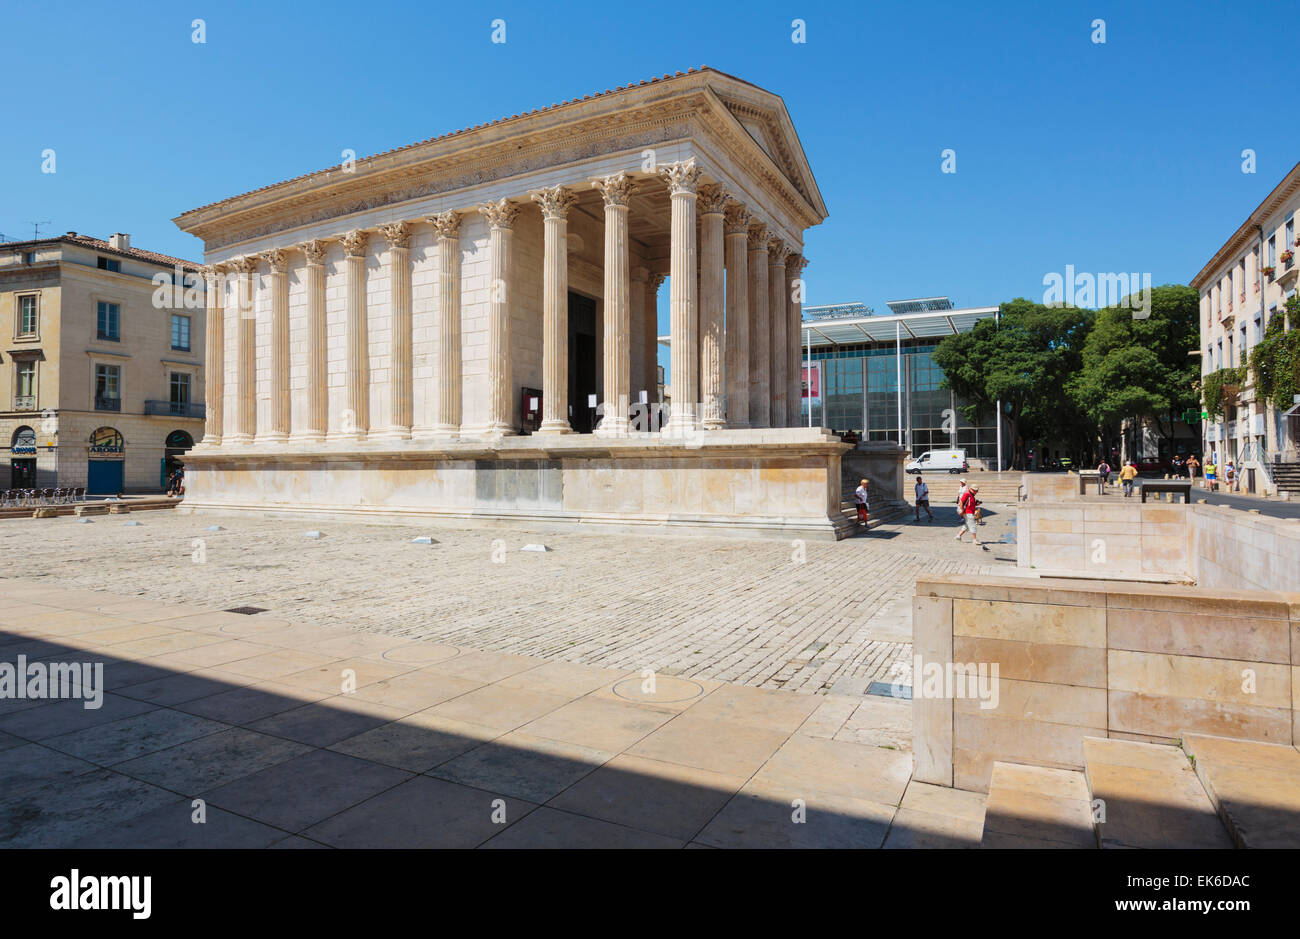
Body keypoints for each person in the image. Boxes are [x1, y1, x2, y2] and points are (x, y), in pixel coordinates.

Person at [954, 484, 986, 549]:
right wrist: (962, 511)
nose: (976, 492)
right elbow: (961, 503)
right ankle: (974, 540)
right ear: (971, 489)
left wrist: (977, 503)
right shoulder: (967, 494)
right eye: (974, 490)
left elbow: (971, 504)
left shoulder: (972, 495)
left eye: (976, 491)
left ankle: (958, 536)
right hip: (968, 513)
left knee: (967, 525)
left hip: (970, 512)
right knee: (973, 525)